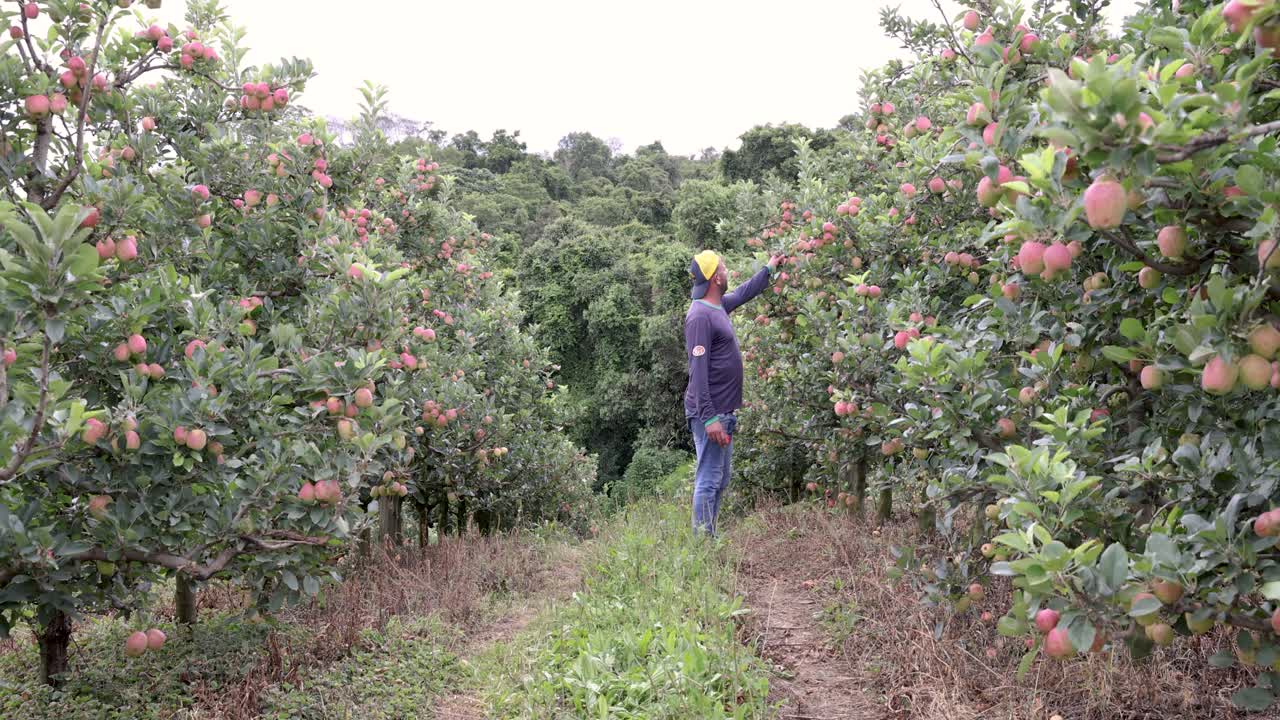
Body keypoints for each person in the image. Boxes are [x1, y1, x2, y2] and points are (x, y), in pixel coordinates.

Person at [684, 249, 783, 536]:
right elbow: (698, 373)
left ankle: (709, 535)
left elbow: (742, 293)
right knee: (709, 479)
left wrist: (769, 269)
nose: (728, 272)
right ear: (716, 278)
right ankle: (703, 542)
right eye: (724, 268)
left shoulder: (717, 307)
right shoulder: (700, 316)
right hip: (711, 414)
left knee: (720, 479)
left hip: (722, 413)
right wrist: (709, 417)